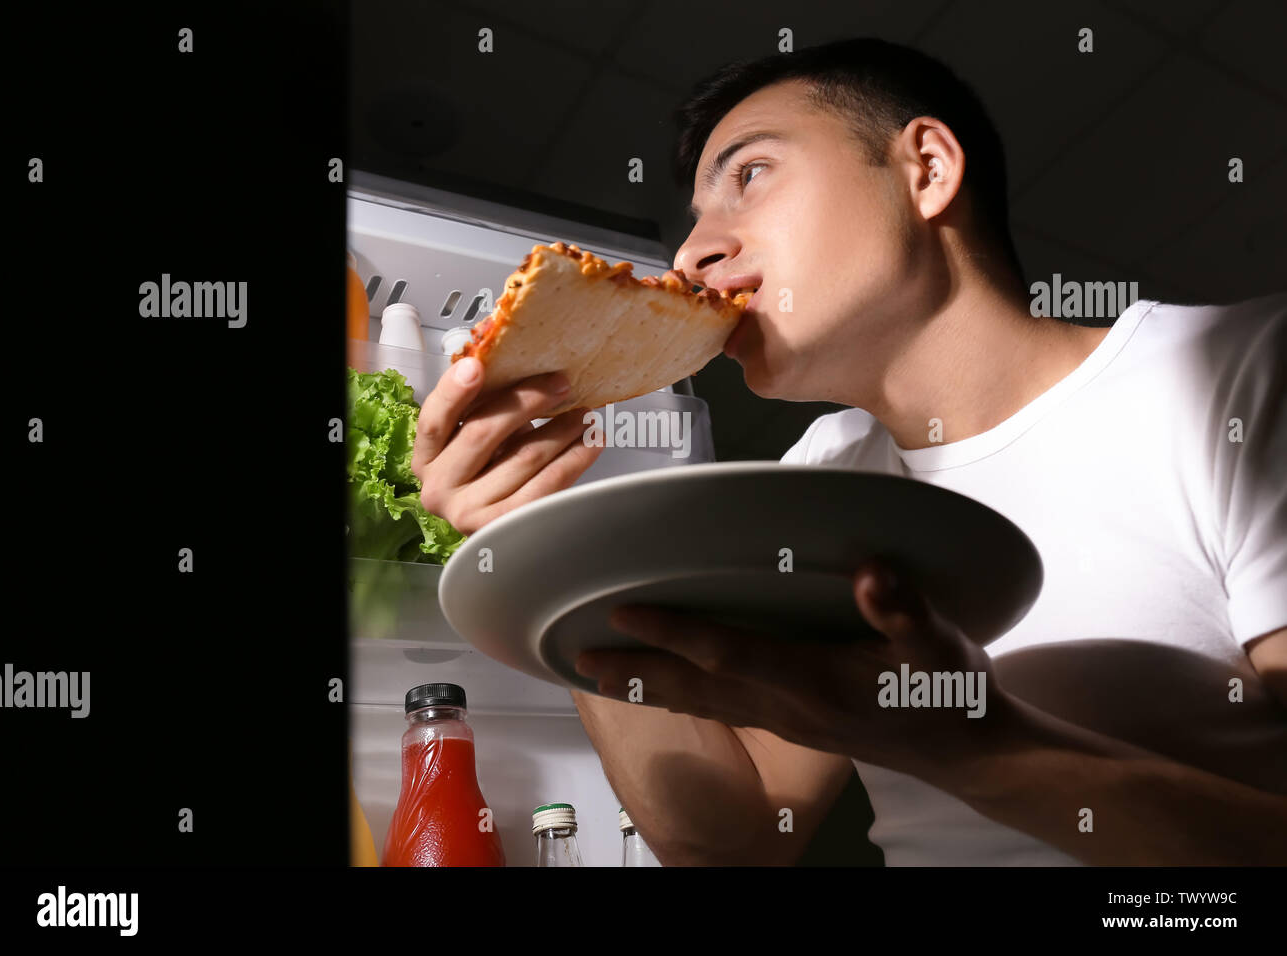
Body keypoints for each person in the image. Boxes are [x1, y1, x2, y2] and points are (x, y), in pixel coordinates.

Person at [411, 38, 1287, 865]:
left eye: (749, 175)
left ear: (928, 168)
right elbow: (739, 840)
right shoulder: (829, 467)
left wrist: (974, 749)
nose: (691, 251)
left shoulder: (1240, 374)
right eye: (695, 216)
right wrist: (542, 543)